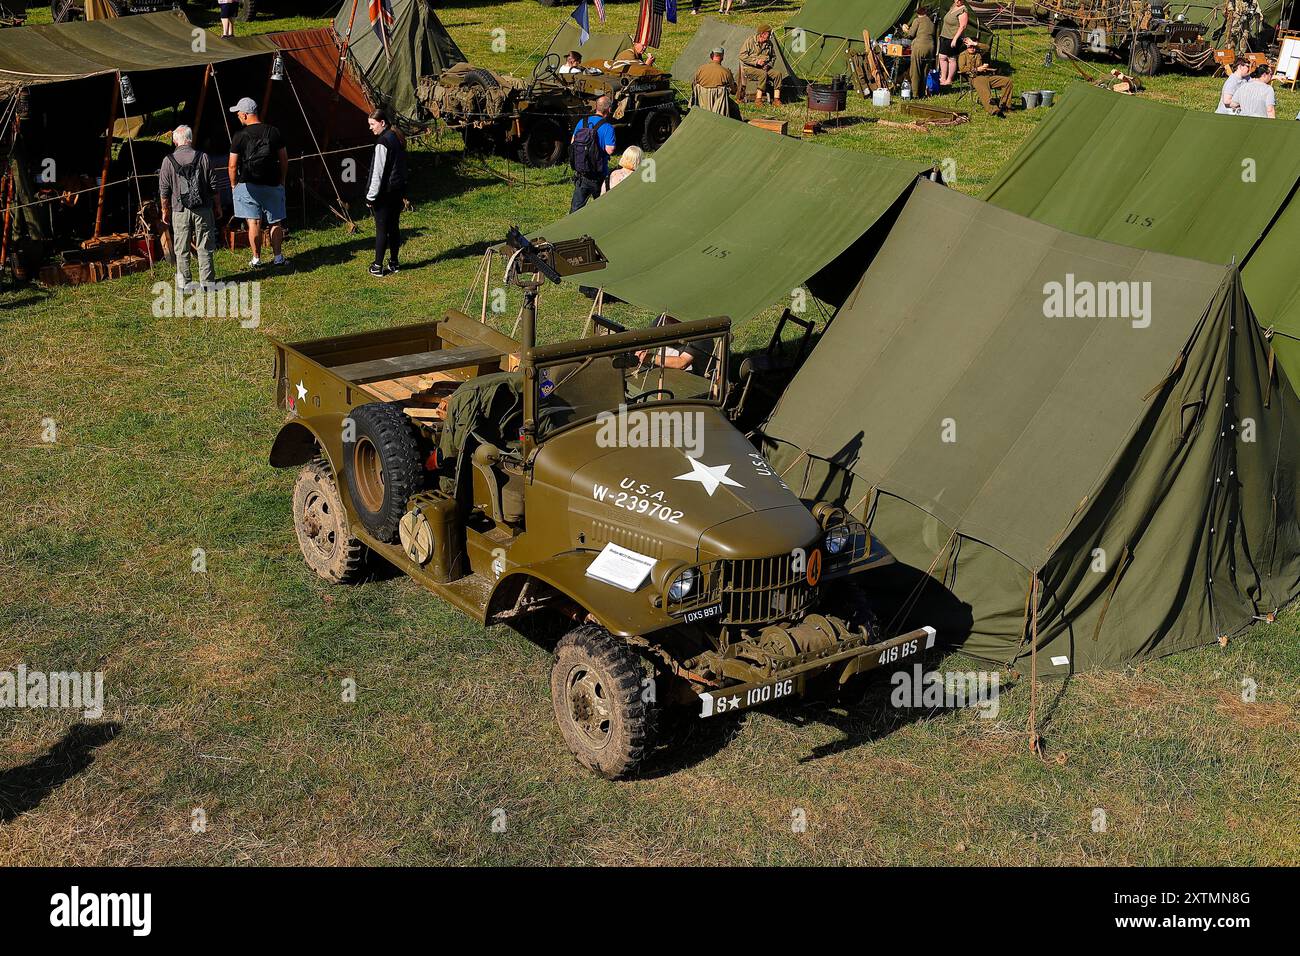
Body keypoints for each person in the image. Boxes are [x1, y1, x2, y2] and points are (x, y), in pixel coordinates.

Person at [227, 97, 289, 267]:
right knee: (275, 221)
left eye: (239, 114)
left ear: (246, 115)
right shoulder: (273, 132)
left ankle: (256, 258)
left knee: (253, 222)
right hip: (272, 183)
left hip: (248, 185)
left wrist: (234, 185)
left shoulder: (239, 136)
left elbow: (232, 165)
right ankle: (278, 257)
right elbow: (284, 159)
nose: (238, 117)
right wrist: (282, 180)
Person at [159, 125, 222, 290]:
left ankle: (184, 284)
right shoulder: (203, 157)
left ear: (175, 141)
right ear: (190, 139)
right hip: (203, 208)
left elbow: (164, 192)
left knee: (181, 249)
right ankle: (207, 283)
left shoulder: (168, 161)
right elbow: (213, 186)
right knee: (205, 246)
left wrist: (165, 211)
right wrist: (218, 206)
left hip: (179, 210)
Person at [365, 108, 407, 277]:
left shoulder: (383, 142)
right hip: (397, 191)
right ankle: (394, 263)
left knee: (382, 229)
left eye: (372, 124)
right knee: (394, 227)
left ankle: (377, 266)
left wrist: (370, 196)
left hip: (384, 194)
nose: (370, 128)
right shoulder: (396, 136)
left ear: (382, 123)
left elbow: (378, 173)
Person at [569, 95, 616, 212]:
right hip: (599, 173)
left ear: (596, 107)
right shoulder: (607, 127)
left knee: (576, 208)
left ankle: (571, 227)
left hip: (582, 173)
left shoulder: (582, 122)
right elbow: (610, 150)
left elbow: (572, 142)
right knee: (602, 208)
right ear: (609, 109)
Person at [958, 38, 1012, 117]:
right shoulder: (963, 55)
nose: (972, 48)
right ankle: (994, 110)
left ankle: (1005, 106)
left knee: (1007, 81)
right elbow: (962, 69)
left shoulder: (978, 53)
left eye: (974, 46)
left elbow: (987, 48)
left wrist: (975, 43)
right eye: (970, 46)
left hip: (986, 76)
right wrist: (976, 69)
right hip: (974, 78)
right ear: (966, 46)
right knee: (984, 87)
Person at [739, 25, 783, 106]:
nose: (770, 35)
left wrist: (769, 65)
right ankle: (758, 100)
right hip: (749, 68)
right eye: (768, 34)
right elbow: (742, 56)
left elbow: (773, 57)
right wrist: (756, 61)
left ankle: (776, 99)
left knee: (777, 74)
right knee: (762, 74)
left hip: (764, 68)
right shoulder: (750, 41)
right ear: (762, 34)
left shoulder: (769, 44)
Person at [691, 47, 740, 117]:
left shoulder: (701, 69)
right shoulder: (726, 72)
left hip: (701, 103)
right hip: (719, 106)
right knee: (734, 108)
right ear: (722, 57)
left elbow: (694, 85)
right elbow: (733, 91)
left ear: (711, 56)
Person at [902, 6, 936, 98]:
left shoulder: (917, 20)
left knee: (915, 71)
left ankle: (915, 94)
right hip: (930, 48)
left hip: (920, 47)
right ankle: (922, 93)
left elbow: (911, 34)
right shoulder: (931, 23)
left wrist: (906, 30)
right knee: (924, 71)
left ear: (918, 13)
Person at [938, 0, 969, 88]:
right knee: (942, 57)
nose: (957, 1)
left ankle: (949, 79)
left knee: (951, 59)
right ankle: (943, 78)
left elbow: (963, 26)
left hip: (953, 37)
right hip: (944, 36)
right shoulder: (953, 6)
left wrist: (955, 39)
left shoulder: (963, 10)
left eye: (960, 0)